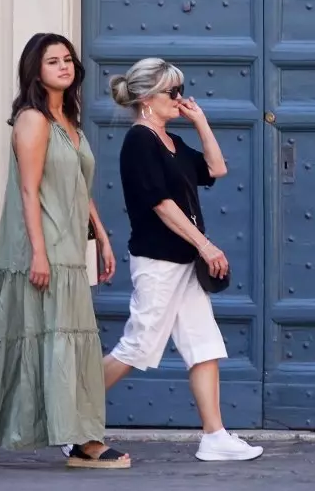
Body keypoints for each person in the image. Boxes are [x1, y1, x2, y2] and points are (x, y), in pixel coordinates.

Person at [0, 33, 130, 470]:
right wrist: (38, 253)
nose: (64, 66)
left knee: (65, 342)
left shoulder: (69, 122)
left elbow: (78, 184)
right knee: (13, 339)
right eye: (52, 60)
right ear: (34, 71)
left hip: (70, 248)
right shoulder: (33, 120)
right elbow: (28, 188)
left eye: (67, 59)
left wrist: (101, 235)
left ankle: (81, 438)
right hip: (38, 249)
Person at [105, 57, 263, 461]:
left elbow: (217, 168)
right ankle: (70, 416)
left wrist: (201, 122)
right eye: (172, 92)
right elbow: (161, 204)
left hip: (183, 262)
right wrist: (206, 245)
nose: (180, 98)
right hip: (158, 261)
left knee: (203, 343)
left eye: (181, 90)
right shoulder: (140, 140)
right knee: (138, 345)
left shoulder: (170, 141)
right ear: (146, 99)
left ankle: (215, 436)